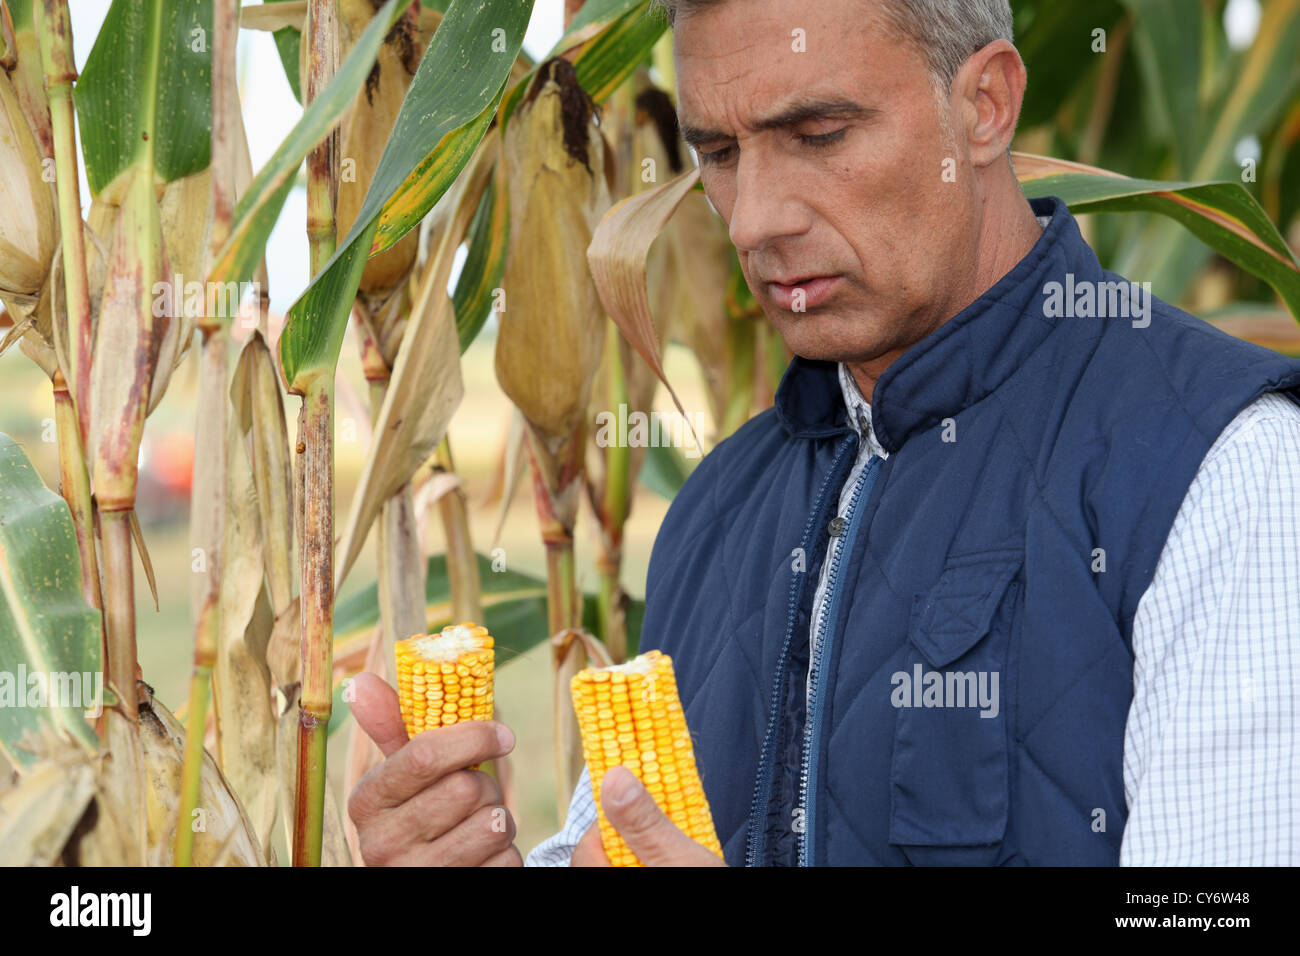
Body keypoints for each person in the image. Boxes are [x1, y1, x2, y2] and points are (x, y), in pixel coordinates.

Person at [348, 0, 1300, 866]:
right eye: (718, 154)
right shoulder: (714, 508)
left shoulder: (1223, 467)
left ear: (985, 104)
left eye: (818, 134)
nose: (756, 221)